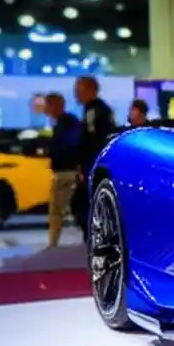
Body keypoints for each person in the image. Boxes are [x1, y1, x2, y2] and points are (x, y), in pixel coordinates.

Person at [71, 75, 118, 241]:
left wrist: (85, 166)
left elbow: (93, 141)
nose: (76, 94)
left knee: (90, 207)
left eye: (79, 90)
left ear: (90, 90)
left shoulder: (95, 110)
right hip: (95, 165)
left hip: (93, 166)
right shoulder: (98, 109)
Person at [45, 93, 81, 247]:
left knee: (57, 210)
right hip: (70, 170)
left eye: (48, 105)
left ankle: (53, 243)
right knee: (67, 209)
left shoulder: (65, 124)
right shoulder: (68, 122)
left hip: (65, 172)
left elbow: (68, 146)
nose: (46, 109)